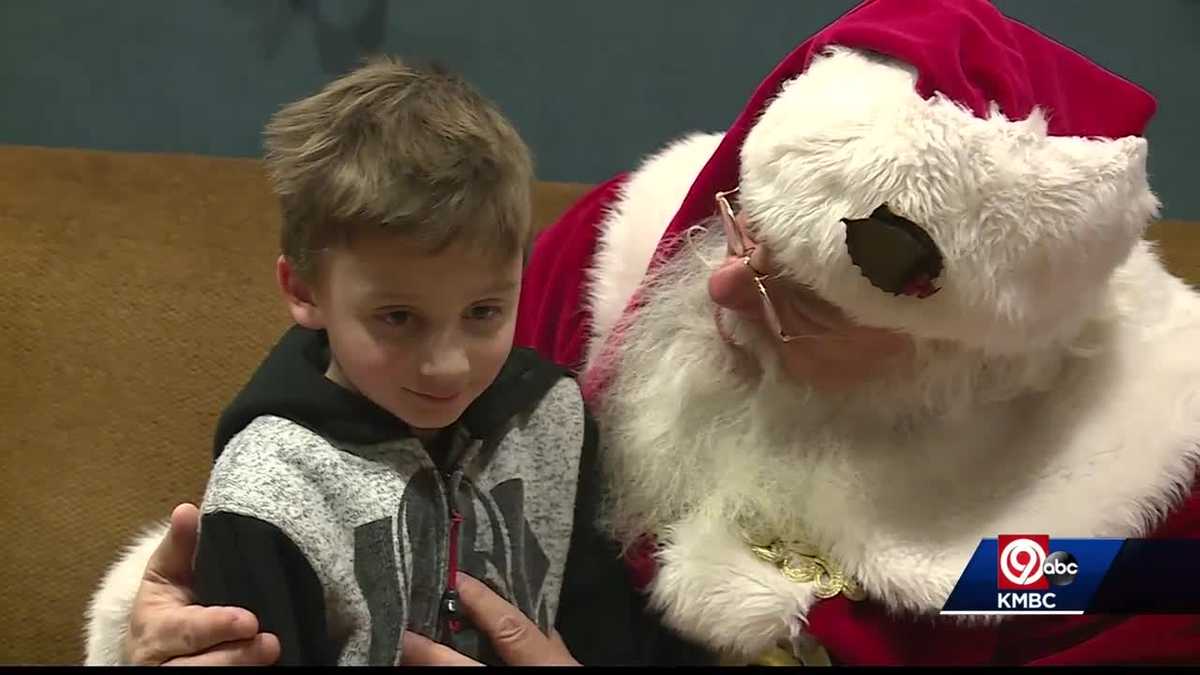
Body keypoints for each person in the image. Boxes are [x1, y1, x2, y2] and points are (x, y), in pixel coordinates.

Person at [89, 0, 1200, 665]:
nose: (718, 291)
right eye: (740, 226)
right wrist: (192, 618)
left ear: (963, 357)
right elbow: (361, 453)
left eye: (794, 304)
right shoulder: (611, 259)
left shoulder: (1110, 510)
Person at [84, 57, 704, 666]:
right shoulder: (264, 489)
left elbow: (617, 637)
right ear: (302, 291)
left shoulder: (558, 419)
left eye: (484, 312)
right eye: (398, 319)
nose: (447, 366)